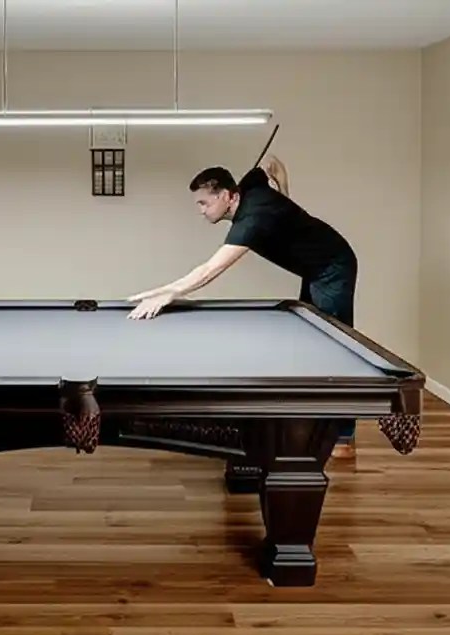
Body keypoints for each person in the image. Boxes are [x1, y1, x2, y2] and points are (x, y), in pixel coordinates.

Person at [126, 155, 360, 458]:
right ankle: (313, 421)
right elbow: (270, 165)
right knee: (313, 342)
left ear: (226, 196)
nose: (200, 211)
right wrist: (284, 191)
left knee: (334, 347)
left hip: (333, 267)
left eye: (203, 203)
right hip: (315, 269)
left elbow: (211, 269)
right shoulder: (250, 185)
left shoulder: (253, 217)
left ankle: (343, 435)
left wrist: (169, 292)